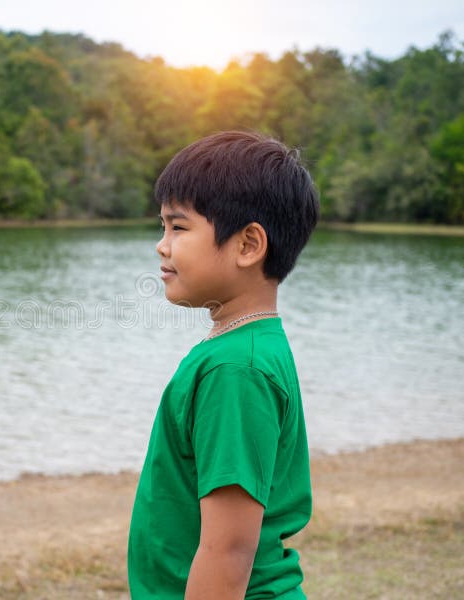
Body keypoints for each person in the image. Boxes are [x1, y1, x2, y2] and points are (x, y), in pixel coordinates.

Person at [127, 130, 319, 599]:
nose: (161, 245)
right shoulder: (242, 348)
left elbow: (228, 552)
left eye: (179, 227)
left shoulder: (236, 369)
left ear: (248, 245)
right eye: (162, 226)